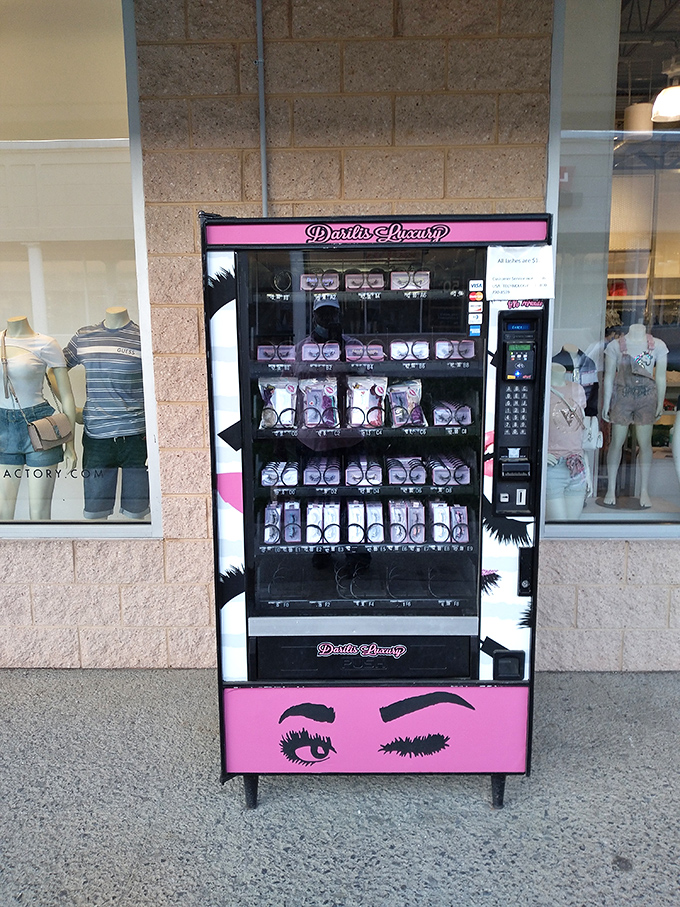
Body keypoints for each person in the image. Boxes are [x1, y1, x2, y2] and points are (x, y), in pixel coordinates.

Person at [63, 307, 149, 520]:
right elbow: (56, 368)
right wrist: (71, 407)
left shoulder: (143, 337)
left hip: (136, 437)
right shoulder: (84, 336)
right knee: (95, 515)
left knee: (137, 515)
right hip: (97, 438)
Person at [0, 316, 76, 520]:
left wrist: (70, 445)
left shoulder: (46, 343)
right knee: (3, 515)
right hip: (3, 429)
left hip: (40, 427)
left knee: (40, 514)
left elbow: (67, 396)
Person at [602, 322, 667, 509]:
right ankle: (611, 489)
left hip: (647, 398)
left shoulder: (658, 345)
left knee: (645, 444)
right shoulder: (615, 346)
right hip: (622, 397)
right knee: (616, 443)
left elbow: (661, 376)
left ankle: (644, 490)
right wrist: (607, 403)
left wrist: (660, 402)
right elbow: (609, 377)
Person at [545, 363, 590, 520]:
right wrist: (542, 456)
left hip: (577, 466)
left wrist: (587, 471)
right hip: (552, 467)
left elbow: (579, 433)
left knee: (571, 529)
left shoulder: (577, 390)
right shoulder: (542, 389)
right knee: (557, 527)